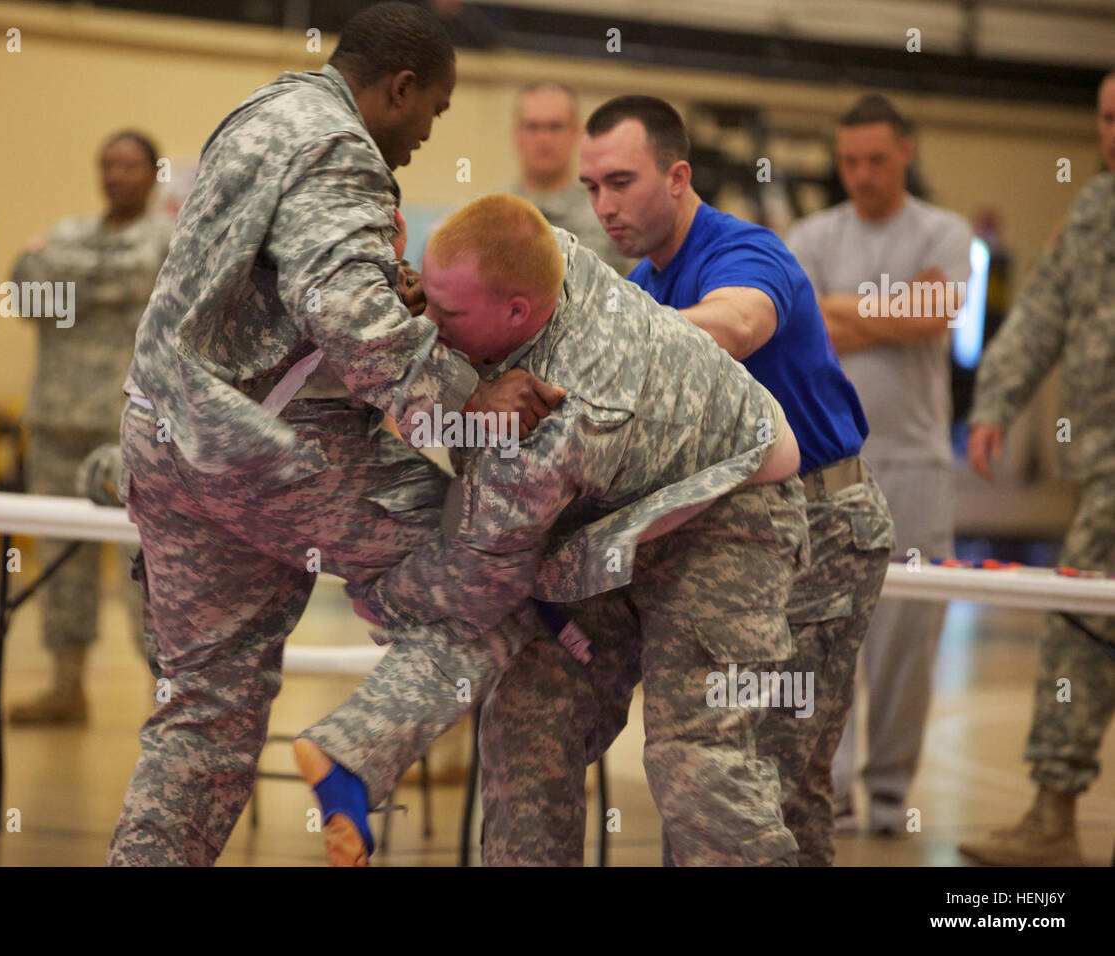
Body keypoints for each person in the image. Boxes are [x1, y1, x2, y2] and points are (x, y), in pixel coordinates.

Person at [106, 2, 560, 866]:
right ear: (399, 87)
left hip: (170, 438)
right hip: (271, 456)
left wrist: (395, 292)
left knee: (204, 710)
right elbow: (343, 313)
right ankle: (356, 749)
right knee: (504, 561)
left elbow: (282, 288)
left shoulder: (266, 112)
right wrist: (471, 395)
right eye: (436, 107)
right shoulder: (342, 146)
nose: (431, 130)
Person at [294, 192, 811, 867]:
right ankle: (356, 758)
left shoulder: (563, 418)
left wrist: (385, 596)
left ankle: (353, 757)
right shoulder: (547, 255)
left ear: (516, 313)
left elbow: (482, 575)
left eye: (448, 314)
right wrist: (414, 299)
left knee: (698, 759)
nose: (431, 327)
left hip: (726, 514)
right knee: (526, 730)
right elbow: (430, 323)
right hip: (607, 519)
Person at [473, 95, 894, 866]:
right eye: (592, 185)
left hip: (823, 525)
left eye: (622, 182)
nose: (605, 204)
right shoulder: (642, 282)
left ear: (677, 177)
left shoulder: (744, 249)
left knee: (772, 770)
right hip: (715, 531)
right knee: (683, 757)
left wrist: (599, 344)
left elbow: (735, 326)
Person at [785, 93, 971, 833]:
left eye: (876, 159)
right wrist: (884, 313)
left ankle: (891, 794)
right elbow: (806, 332)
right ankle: (828, 790)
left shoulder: (945, 230)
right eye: (849, 161)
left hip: (917, 465)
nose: (861, 174)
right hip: (829, 467)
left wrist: (844, 309)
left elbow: (936, 313)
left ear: (907, 152)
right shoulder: (810, 232)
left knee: (905, 640)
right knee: (825, 635)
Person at [957, 72, 1115, 867]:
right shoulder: (1092, 214)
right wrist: (995, 402)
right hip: (1108, 472)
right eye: (1108, 120)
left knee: (1079, 627)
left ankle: (1054, 818)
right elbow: (1041, 313)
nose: (1114, 136)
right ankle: (1053, 819)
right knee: (1079, 627)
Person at [7, 131, 173, 724]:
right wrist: (95, 276)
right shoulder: (73, 228)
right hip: (56, 421)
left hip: (134, 425)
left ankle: (166, 690)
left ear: (154, 174)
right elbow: (24, 289)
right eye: (107, 164)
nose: (116, 175)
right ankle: (66, 684)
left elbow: (142, 280)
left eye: (129, 165)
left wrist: (66, 276)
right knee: (59, 556)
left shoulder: (169, 239)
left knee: (148, 562)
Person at [509, 82, 632, 276]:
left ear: (576, 132)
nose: (544, 138)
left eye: (555, 127)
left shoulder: (609, 214)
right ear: (516, 133)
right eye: (532, 127)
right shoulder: (491, 213)